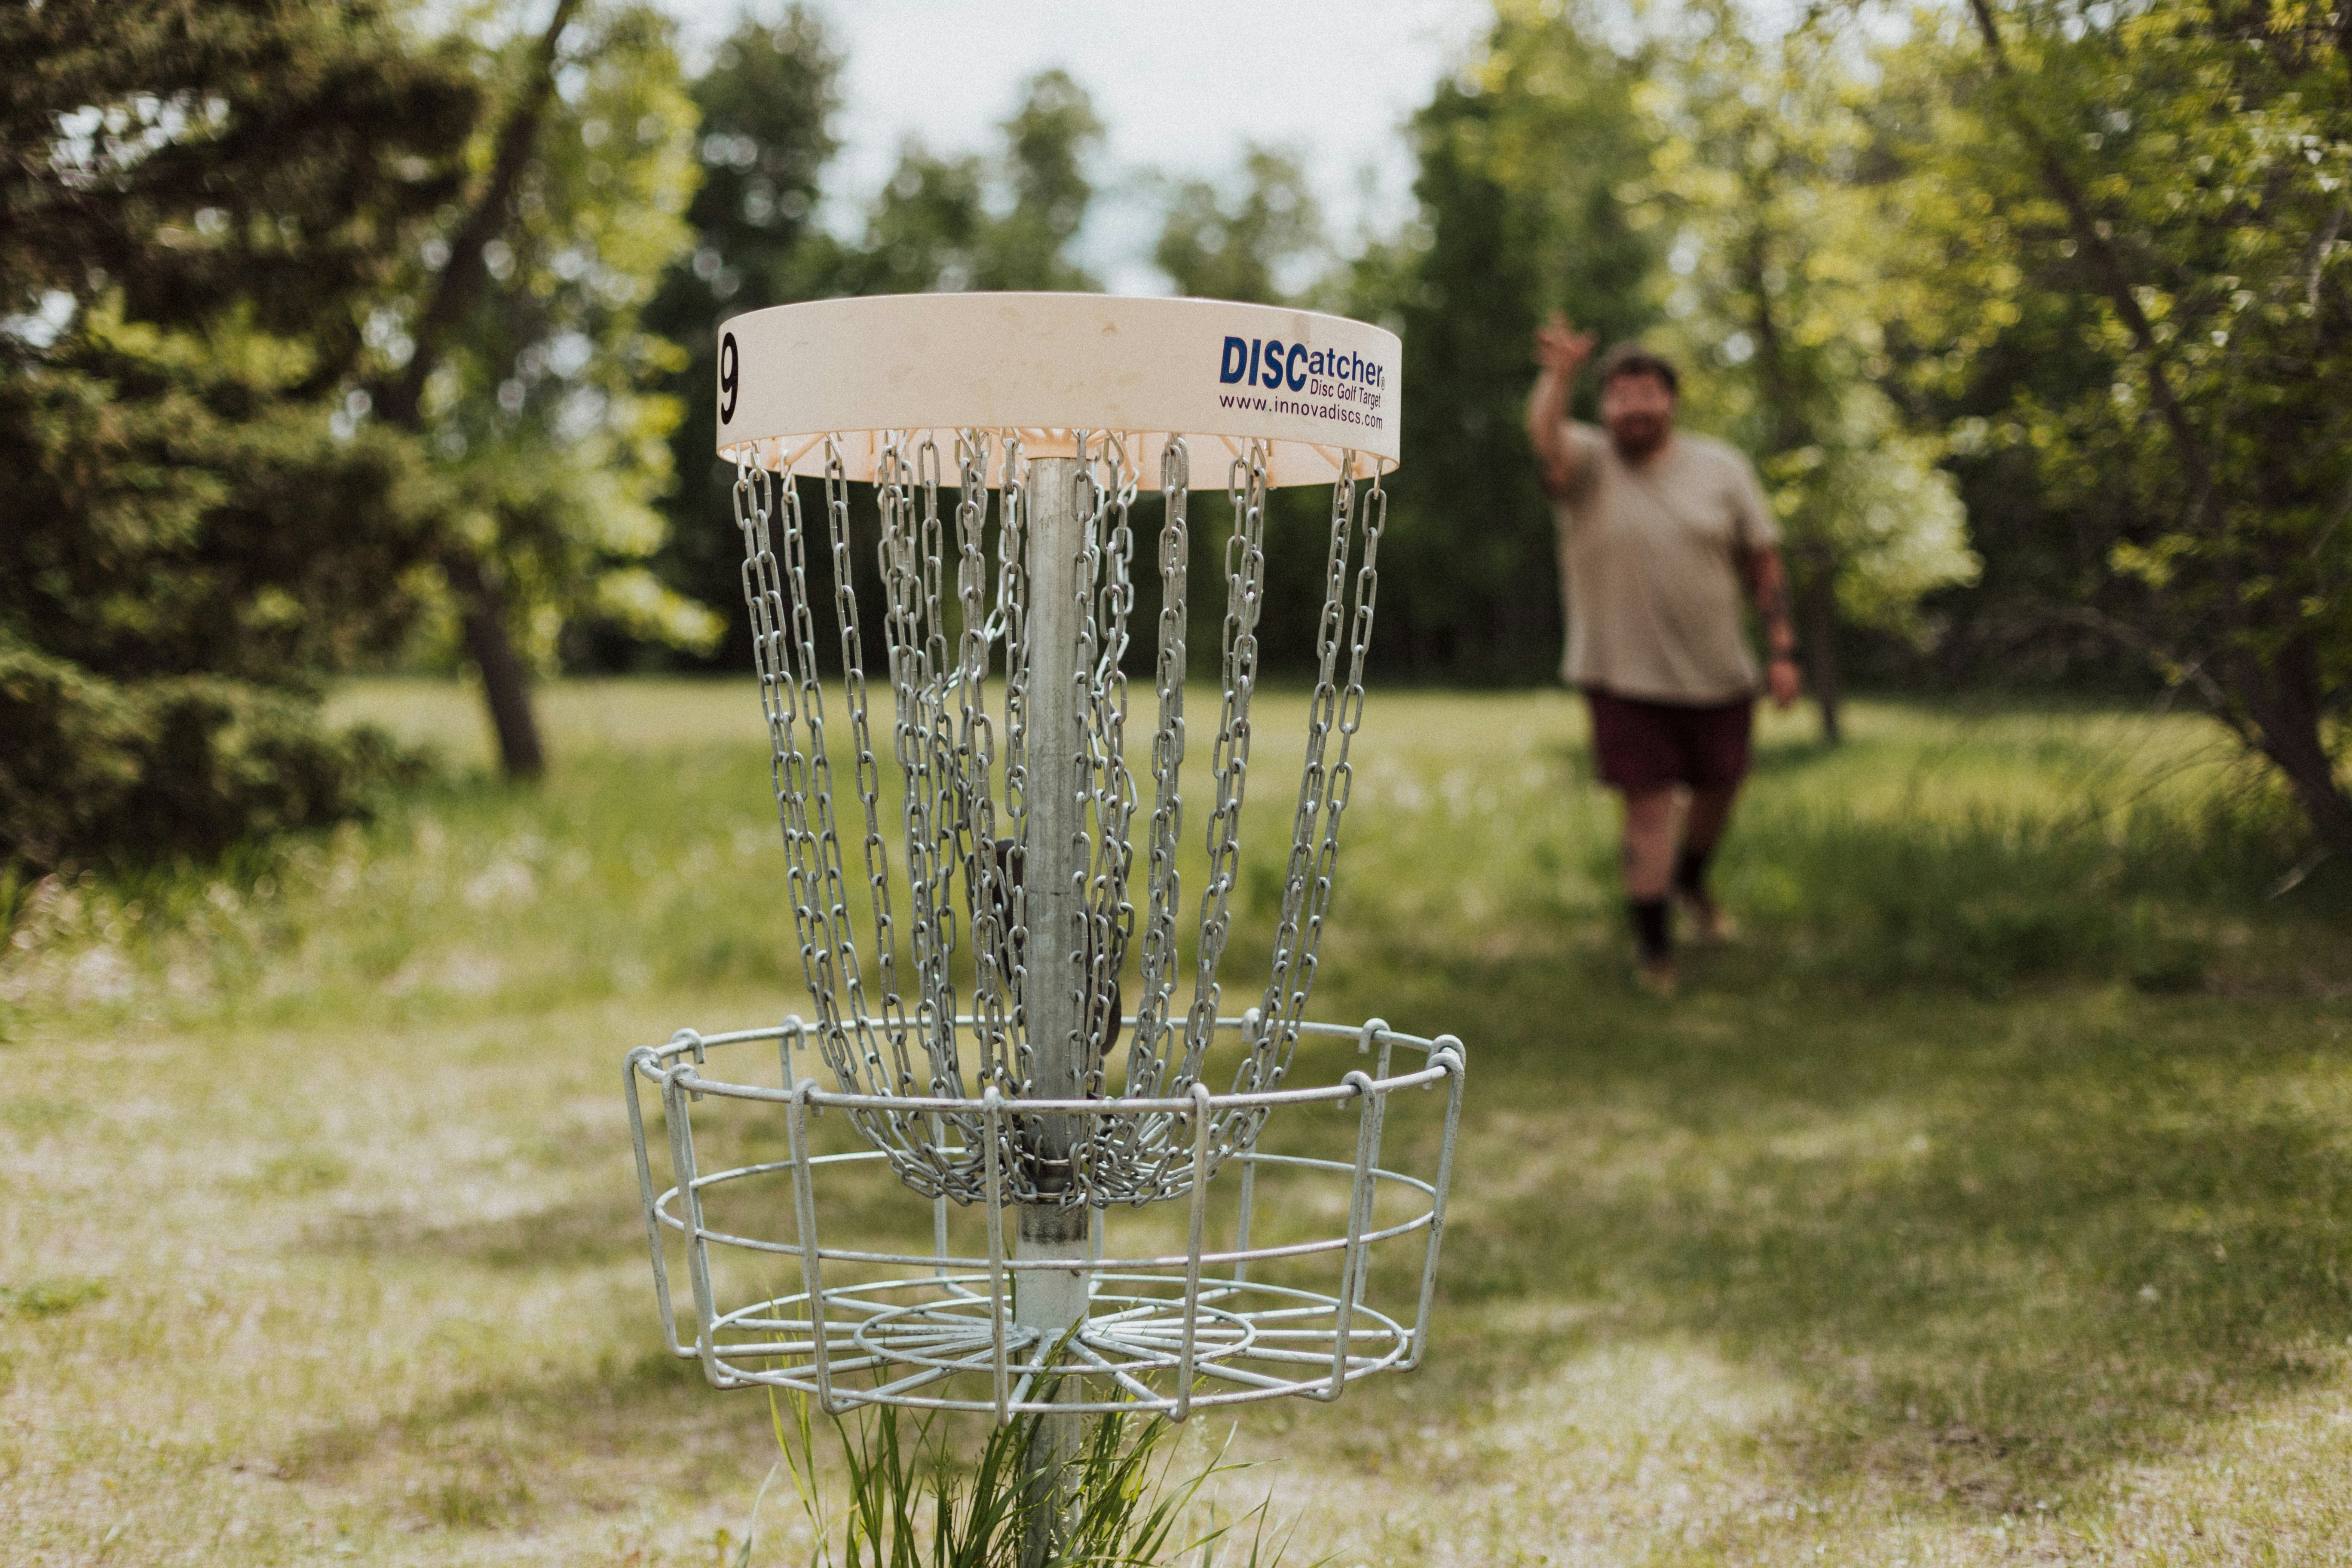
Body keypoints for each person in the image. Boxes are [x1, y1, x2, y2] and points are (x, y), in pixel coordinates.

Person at [1525, 313, 1801, 995]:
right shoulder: (1588, 463)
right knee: (1649, 810)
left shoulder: (1723, 468)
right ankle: (1656, 953)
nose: (1635, 407)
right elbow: (1545, 437)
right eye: (1620, 395)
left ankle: (1690, 883)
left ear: (1671, 401)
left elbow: (1762, 563)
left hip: (1719, 671)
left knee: (1719, 791)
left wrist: (1783, 650)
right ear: (1605, 407)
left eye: (1647, 393)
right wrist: (1558, 378)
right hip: (1623, 674)